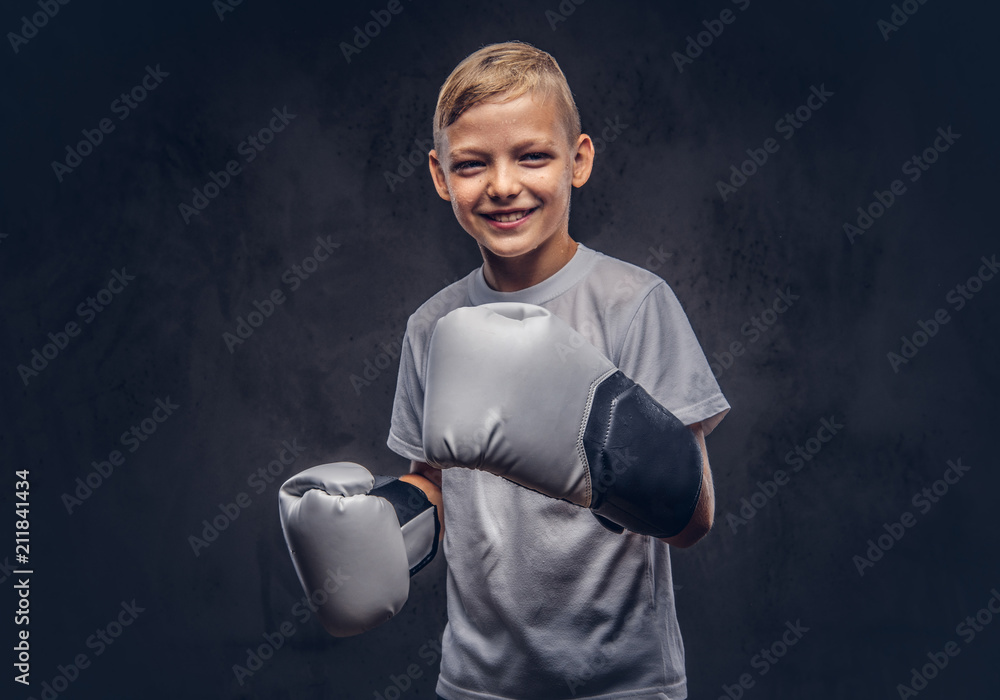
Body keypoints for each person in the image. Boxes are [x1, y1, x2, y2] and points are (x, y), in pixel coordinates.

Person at [278, 40, 729, 700]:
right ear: (439, 176)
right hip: (478, 683)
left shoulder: (635, 304)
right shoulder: (432, 326)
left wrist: (600, 448)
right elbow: (433, 482)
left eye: (532, 156)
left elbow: (693, 516)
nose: (502, 184)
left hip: (624, 684)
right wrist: (379, 524)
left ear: (579, 161)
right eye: (472, 164)